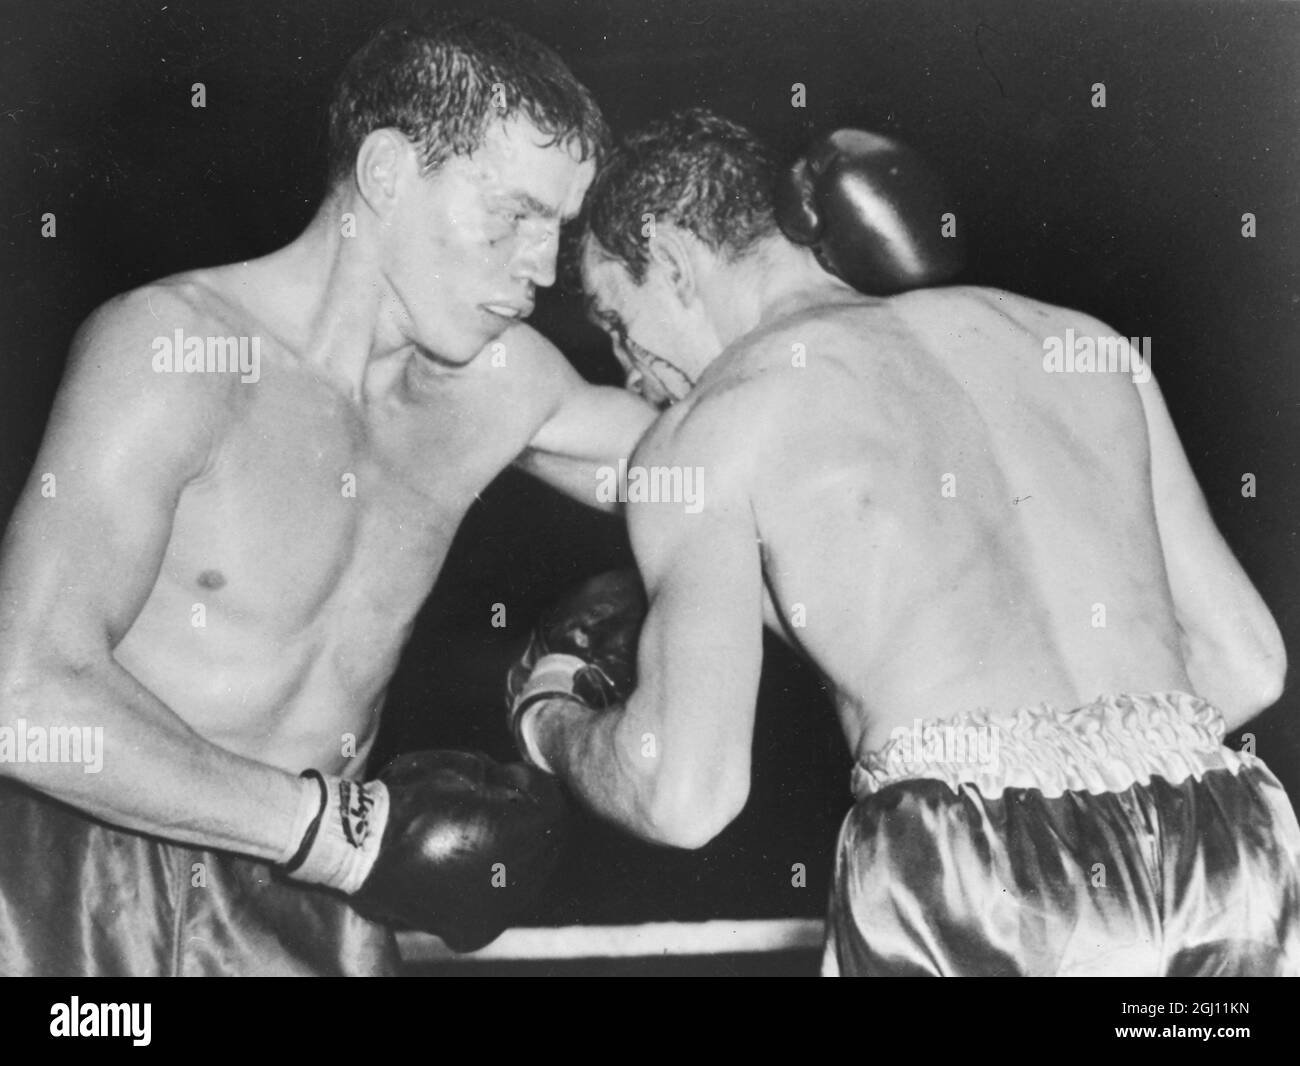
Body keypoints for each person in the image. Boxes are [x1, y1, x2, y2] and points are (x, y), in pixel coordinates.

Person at [506, 108, 1300, 975]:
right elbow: (1247, 662)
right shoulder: (1085, 342)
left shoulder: (715, 425)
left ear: (672, 260)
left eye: (618, 321)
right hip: (1226, 842)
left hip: (978, 880)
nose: (631, 368)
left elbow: (684, 794)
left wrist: (550, 720)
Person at [0, 14, 656, 976]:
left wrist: (816, 319)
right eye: (513, 215)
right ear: (387, 174)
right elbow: (21, 697)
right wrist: (332, 832)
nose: (542, 268)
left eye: (557, 227)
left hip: (321, 889)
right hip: (96, 871)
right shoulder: (179, 351)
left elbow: (723, 475)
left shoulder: (502, 386)